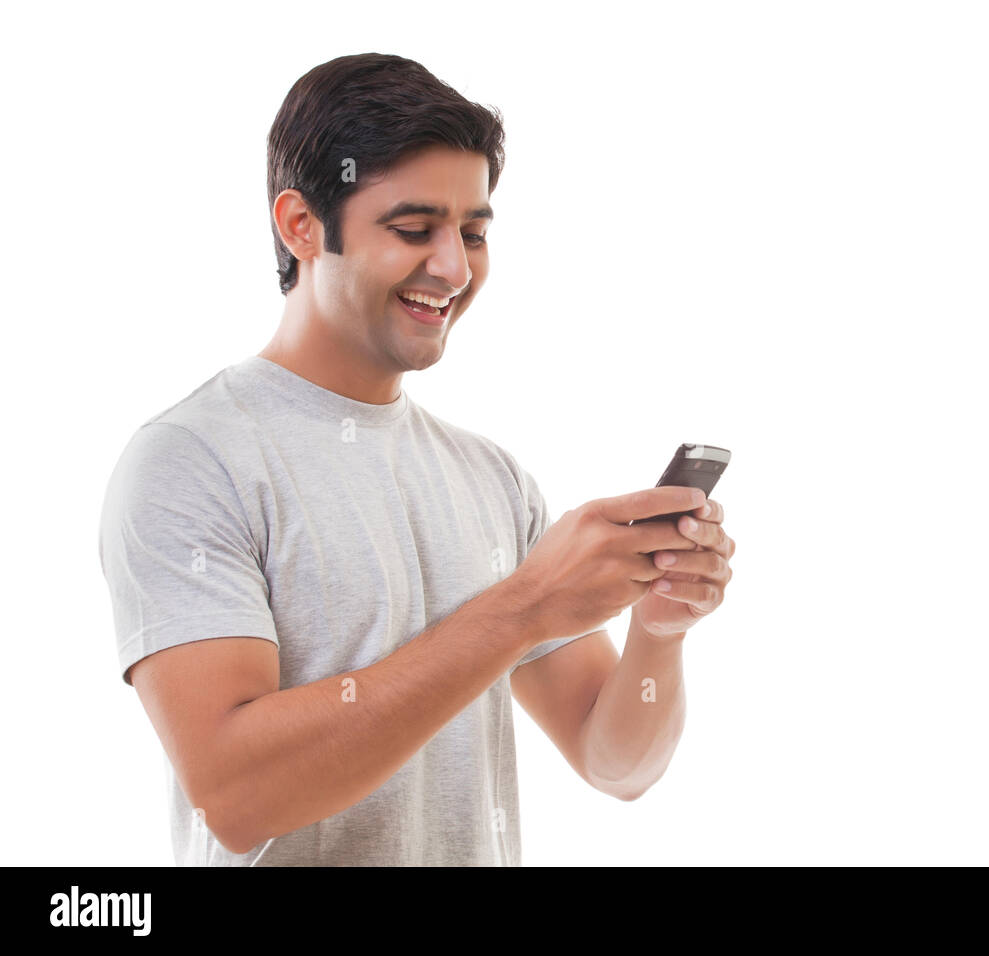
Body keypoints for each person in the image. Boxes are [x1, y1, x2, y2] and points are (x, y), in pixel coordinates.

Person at [97, 52, 734, 866]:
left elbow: (617, 766)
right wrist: (524, 608)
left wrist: (658, 631)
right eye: (413, 229)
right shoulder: (192, 460)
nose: (455, 269)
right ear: (301, 225)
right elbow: (236, 794)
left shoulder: (492, 480)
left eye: (473, 232)